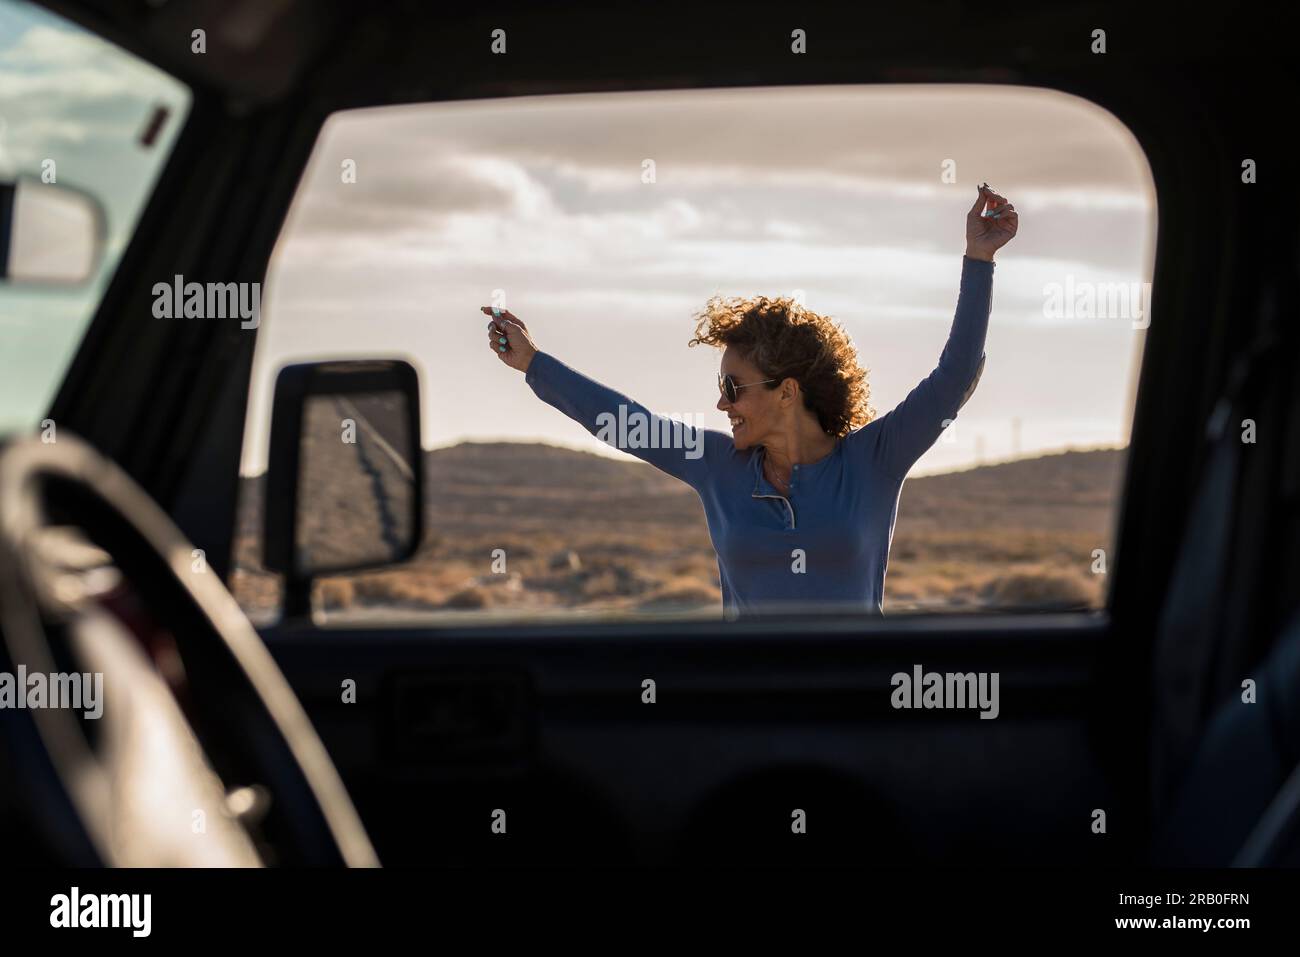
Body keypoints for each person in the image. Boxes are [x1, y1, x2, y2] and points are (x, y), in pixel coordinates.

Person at [482, 185, 1018, 618]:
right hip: (747, 703)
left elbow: (954, 379)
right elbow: (625, 423)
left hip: (854, 709)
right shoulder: (718, 467)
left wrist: (978, 259)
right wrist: (533, 362)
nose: (722, 406)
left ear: (787, 391)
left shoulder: (873, 461)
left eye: (733, 389)